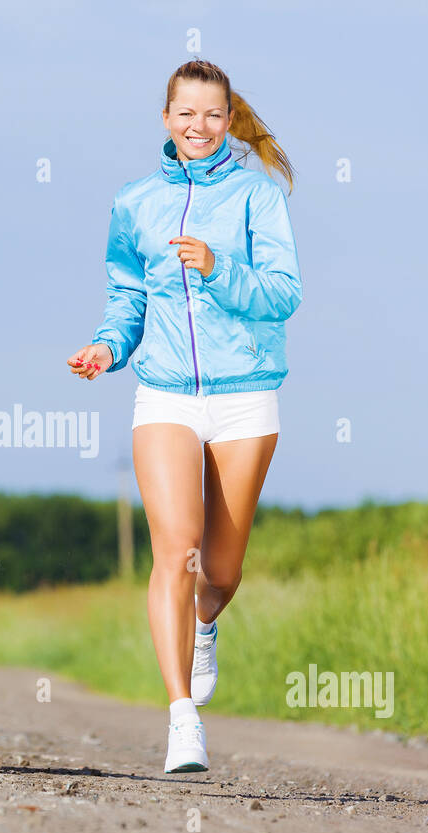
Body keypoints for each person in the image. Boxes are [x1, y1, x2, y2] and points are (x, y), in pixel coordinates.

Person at [66, 59, 302, 773]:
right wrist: (108, 347)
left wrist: (215, 269)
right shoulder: (134, 202)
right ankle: (180, 720)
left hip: (244, 394)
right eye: (185, 114)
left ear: (228, 121)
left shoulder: (258, 197)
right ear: (166, 119)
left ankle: (204, 626)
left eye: (212, 115)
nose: (198, 126)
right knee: (176, 549)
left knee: (221, 571)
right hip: (165, 392)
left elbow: (283, 295)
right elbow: (126, 298)